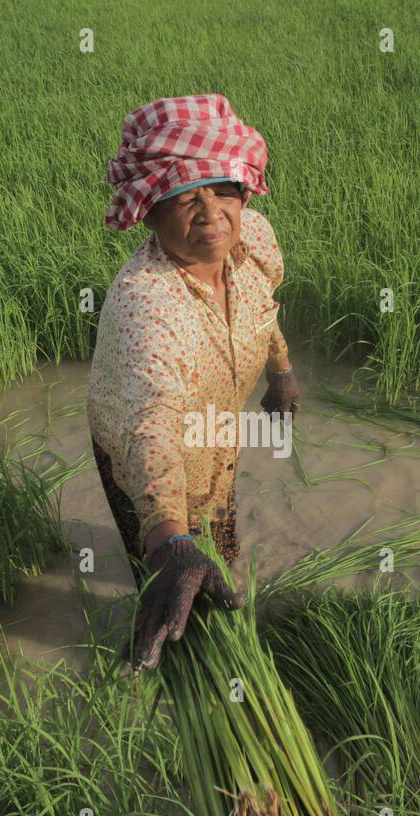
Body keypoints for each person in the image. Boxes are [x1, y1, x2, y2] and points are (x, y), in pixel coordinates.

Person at [90, 94, 301, 671]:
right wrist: (170, 540)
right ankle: (163, 629)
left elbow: (265, 310)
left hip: (217, 433)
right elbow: (150, 424)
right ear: (149, 215)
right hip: (140, 450)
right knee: (163, 565)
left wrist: (280, 373)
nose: (210, 212)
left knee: (220, 525)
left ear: (244, 194)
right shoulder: (145, 303)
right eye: (184, 198)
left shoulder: (252, 240)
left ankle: (220, 572)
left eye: (221, 191)